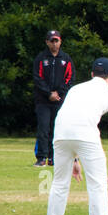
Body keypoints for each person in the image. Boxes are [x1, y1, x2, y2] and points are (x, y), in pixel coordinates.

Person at [43, 57, 108, 215]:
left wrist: (74, 159)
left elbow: (71, 118)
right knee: (97, 185)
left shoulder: (75, 89)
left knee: (59, 184)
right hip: (85, 135)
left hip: (61, 133)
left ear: (92, 74)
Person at [32, 30, 74, 166]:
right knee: (43, 129)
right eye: (52, 41)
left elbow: (70, 78)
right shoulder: (41, 58)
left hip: (59, 101)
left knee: (57, 129)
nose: (54, 44)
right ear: (47, 42)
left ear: (60, 41)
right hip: (43, 101)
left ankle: (53, 157)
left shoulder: (66, 59)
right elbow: (38, 78)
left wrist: (59, 93)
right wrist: (48, 93)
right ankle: (41, 157)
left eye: (56, 41)